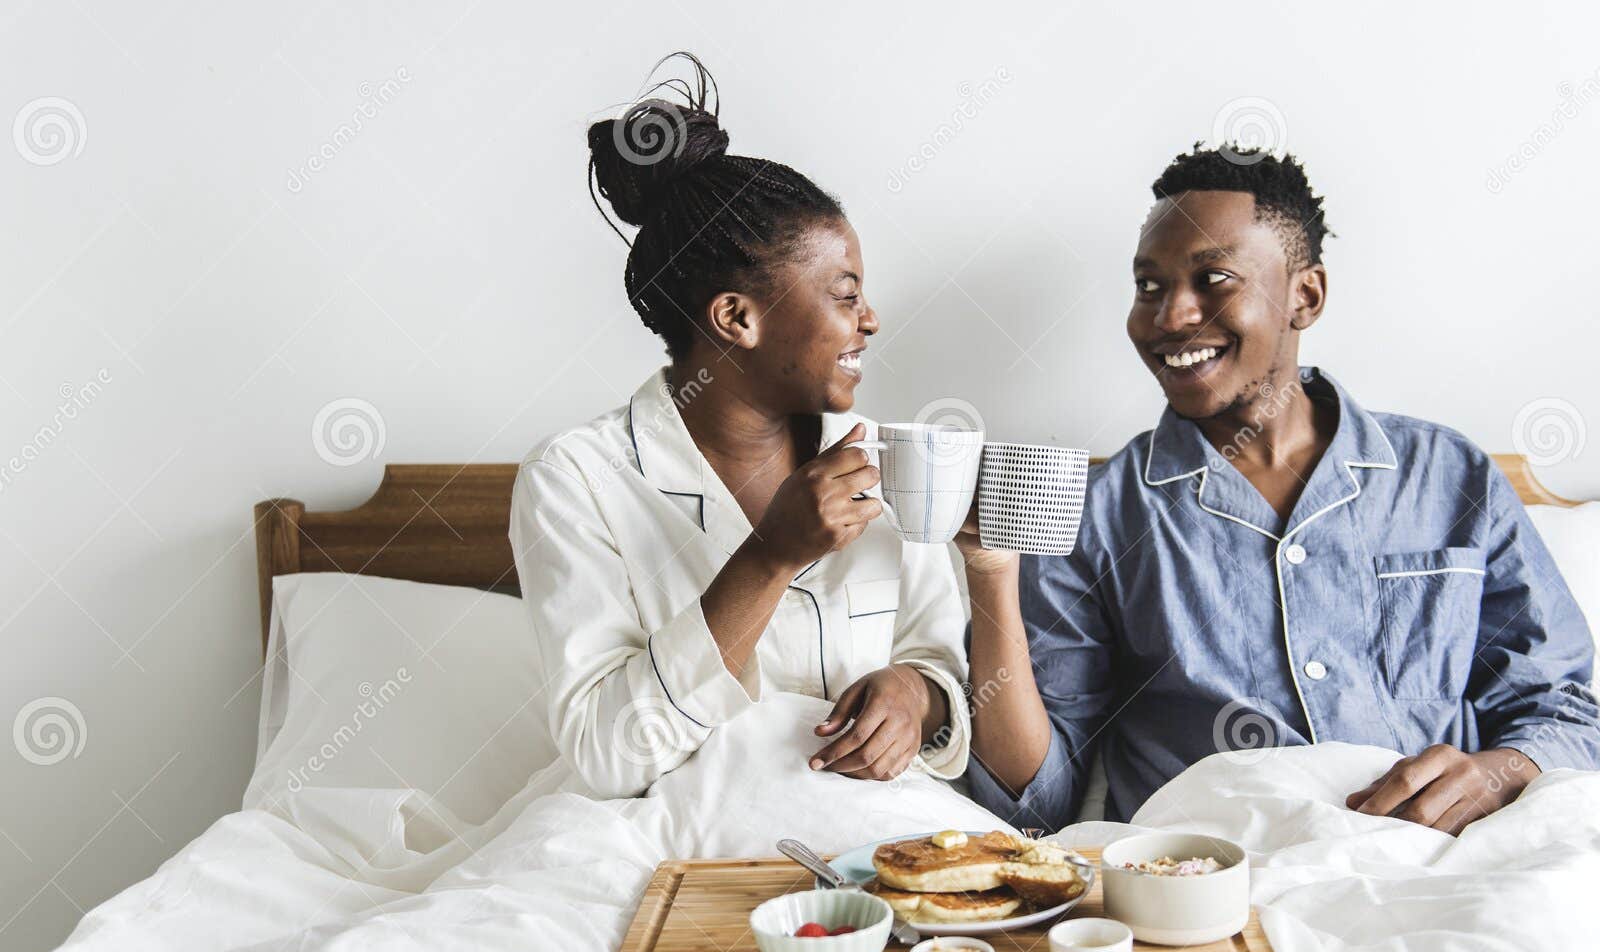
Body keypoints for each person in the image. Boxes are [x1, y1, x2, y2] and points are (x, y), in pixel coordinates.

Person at [960, 145, 1600, 833]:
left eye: (1213, 278)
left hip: (1433, 871)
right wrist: (991, 575)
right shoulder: (1098, 516)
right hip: (1216, 890)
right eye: (1149, 286)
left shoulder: (1451, 477)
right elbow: (1033, 805)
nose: (1170, 316)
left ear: (1307, 295)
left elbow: (1564, 710)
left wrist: (1496, 772)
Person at [510, 55, 969, 799]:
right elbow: (606, 753)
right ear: (737, 318)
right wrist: (769, 554)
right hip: (662, 843)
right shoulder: (576, 479)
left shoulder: (887, 461)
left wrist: (916, 695)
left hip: (868, 840)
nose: (871, 320)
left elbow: (937, 660)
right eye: (845, 295)